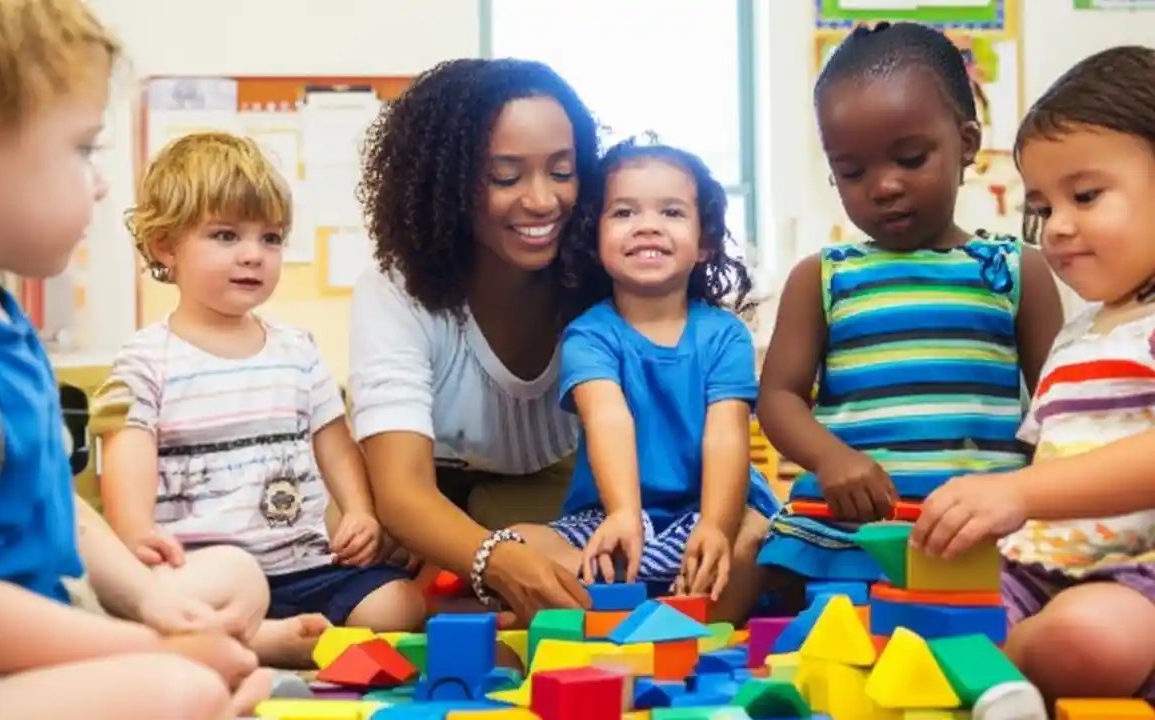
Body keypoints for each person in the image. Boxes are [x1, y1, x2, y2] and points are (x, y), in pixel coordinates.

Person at [0, 3, 268, 720]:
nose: (100, 184)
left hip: (20, 639)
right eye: (84, 150)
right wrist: (149, 651)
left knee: (236, 576)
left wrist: (156, 603)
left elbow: (61, 507)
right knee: (180, 690)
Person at [92, 132, 425, 665]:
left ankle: (258, 639)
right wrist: (136, 534)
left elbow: (333, 442)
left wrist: (361, 511)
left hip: (303, 566)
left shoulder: (298, 351)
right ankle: (256, 639)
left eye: (270, 238)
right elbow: (126, 447)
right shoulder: (147, 360)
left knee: (398, 604)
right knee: (171, 603)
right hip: (203, 572)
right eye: (225, 236)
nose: (253, 255)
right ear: (165, 247)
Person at [754, 22, 1063, 592]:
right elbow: (778, 397)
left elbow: (1058, 411)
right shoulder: (823, 277)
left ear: (966, 144)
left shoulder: (1016, 269)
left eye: (911, 158)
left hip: (977, 535)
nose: (885, 185)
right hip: (849, 535)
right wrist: (831, 460)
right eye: (853, 171)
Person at [911, 45, 1155, 704]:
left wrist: (1020, 493)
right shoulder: (1078, 334)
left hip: (1142, 580)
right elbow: (1048, 452)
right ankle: (996, 679)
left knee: (1087, 641)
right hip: (1040, 565)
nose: (1057, 228)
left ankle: (995, 676)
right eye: (1043, 207)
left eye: (1086, 195)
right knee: (920, 615)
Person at [350, 58, 601, 621]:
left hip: (546, 494)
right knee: (373, 567)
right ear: (447, 184)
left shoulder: (598, 279)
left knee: (569, 561)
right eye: (505, 177)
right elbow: (402, 492)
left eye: (562, 172)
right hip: (421, 492)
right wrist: (496, 560)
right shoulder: (396, 293)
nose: (541, 201)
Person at [511, 138, 780, 622]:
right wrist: (623, 515)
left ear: (704, 243)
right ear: (595, 240)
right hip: (613, 519)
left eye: (672, 212)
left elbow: (726, 433)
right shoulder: (588, 335)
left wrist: (716, 527)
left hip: (709, 514)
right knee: (518, 544)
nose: (648, 226)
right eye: (624, 213)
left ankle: (696, 621)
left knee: (756, 537)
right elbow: (607, 418)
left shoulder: (725, 336)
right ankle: (644, 604)